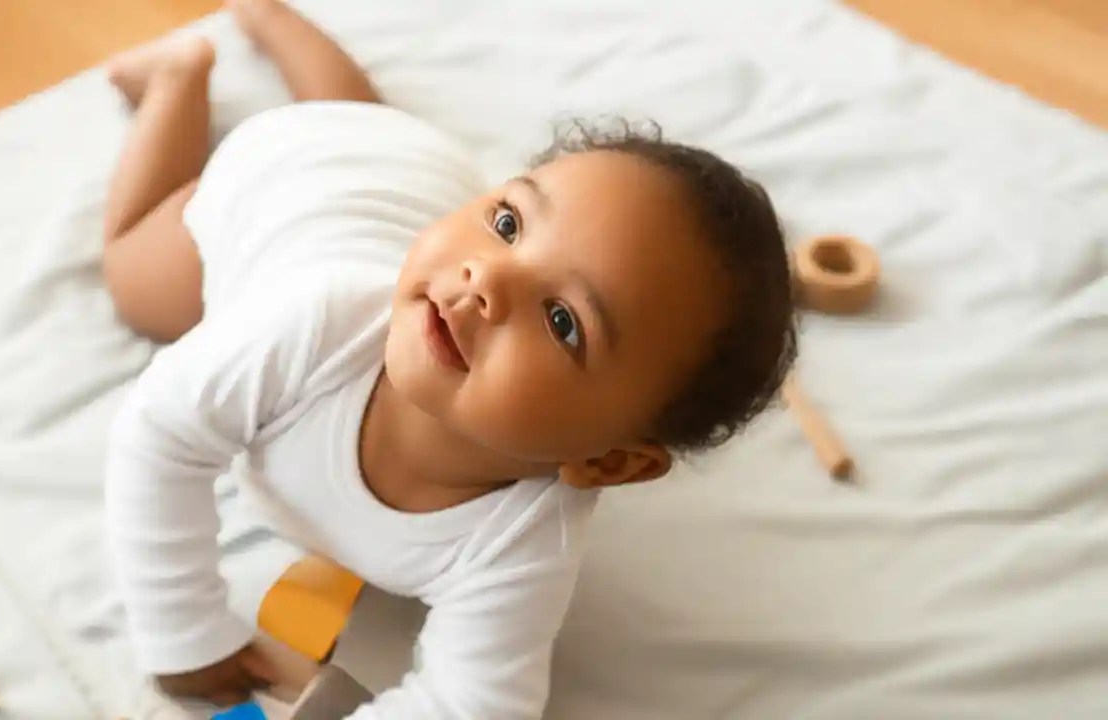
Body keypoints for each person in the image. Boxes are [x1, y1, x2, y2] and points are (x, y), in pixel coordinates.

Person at [102, 0, 797, 716]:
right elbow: (159, 438)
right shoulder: (312, 321)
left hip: (408, 172)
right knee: (135, 278)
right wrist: (185, 634)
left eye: (562, 321)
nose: (486, 278)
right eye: (508, 222)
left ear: (611, 462)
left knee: (361, 120)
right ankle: (184, 74)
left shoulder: (526, 539)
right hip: (281, 181)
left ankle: (333, 87)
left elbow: (473, 707)